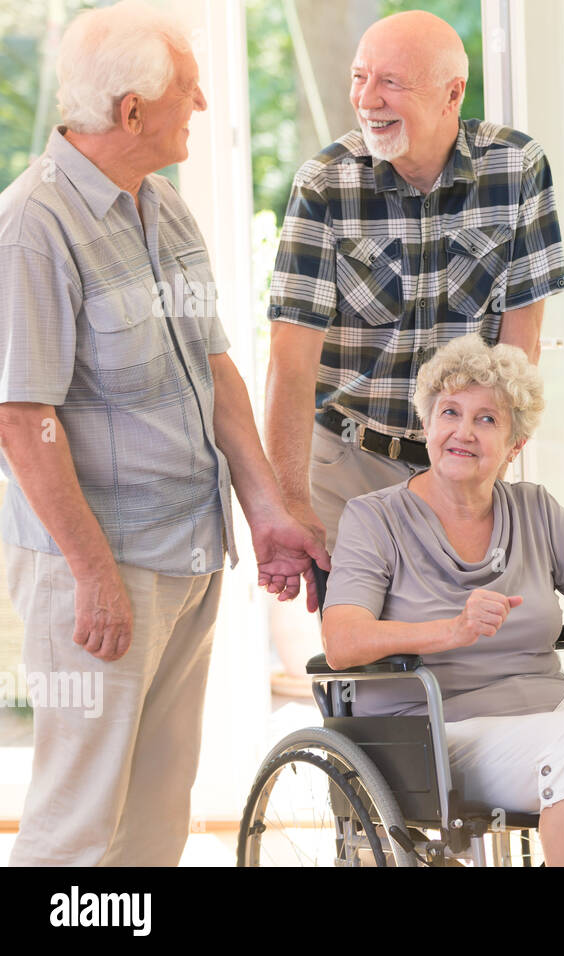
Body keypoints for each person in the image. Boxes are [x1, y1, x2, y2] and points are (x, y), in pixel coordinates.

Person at [0, 0, 326, 866]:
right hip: (99, 570)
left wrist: (264, 512)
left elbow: (215, 371)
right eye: (189, 90)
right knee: (78, 820)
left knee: (155, 812)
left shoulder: (164, 209)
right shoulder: (34, 226)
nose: (205, 106)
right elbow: (22, 418)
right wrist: (93, 574)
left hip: (185, 554)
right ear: (132, 112)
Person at [322, 335, 564, 866]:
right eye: (450, 412)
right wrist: (451, 630)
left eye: (487, 419)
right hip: (437, 727)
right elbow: (342, 641)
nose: (463, 432)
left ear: (515, 445)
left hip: (551, 709)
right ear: (428, 425)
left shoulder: (534, 511)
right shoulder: (375, 519)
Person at [265, 10, 564, 554]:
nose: (367, 99)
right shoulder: (325, 183)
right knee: (363, 637)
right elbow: (291, 360)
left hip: (464, 460)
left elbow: (523, 333)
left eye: (391, 82)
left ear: (453, 95)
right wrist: (288, 503)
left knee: (465, 631)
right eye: (360, 76)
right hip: (346, 466)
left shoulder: (517, 167)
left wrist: (494, 453)